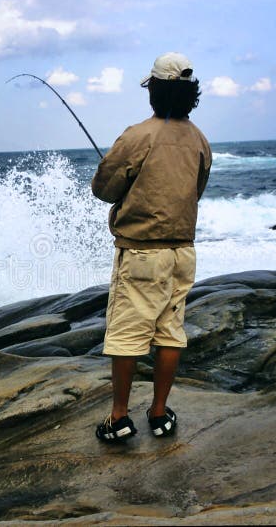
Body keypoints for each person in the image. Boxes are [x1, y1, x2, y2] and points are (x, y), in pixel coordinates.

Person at [91, 52, 212, 443]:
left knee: (127, 335)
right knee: (170, 332)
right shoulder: (199, 140)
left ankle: (119, 418)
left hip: (143, 254)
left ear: (154, 91)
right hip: (183, 253)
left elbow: (103, 189)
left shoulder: (138, 135)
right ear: (190, 94)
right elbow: (197, 191)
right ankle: (159, 415)